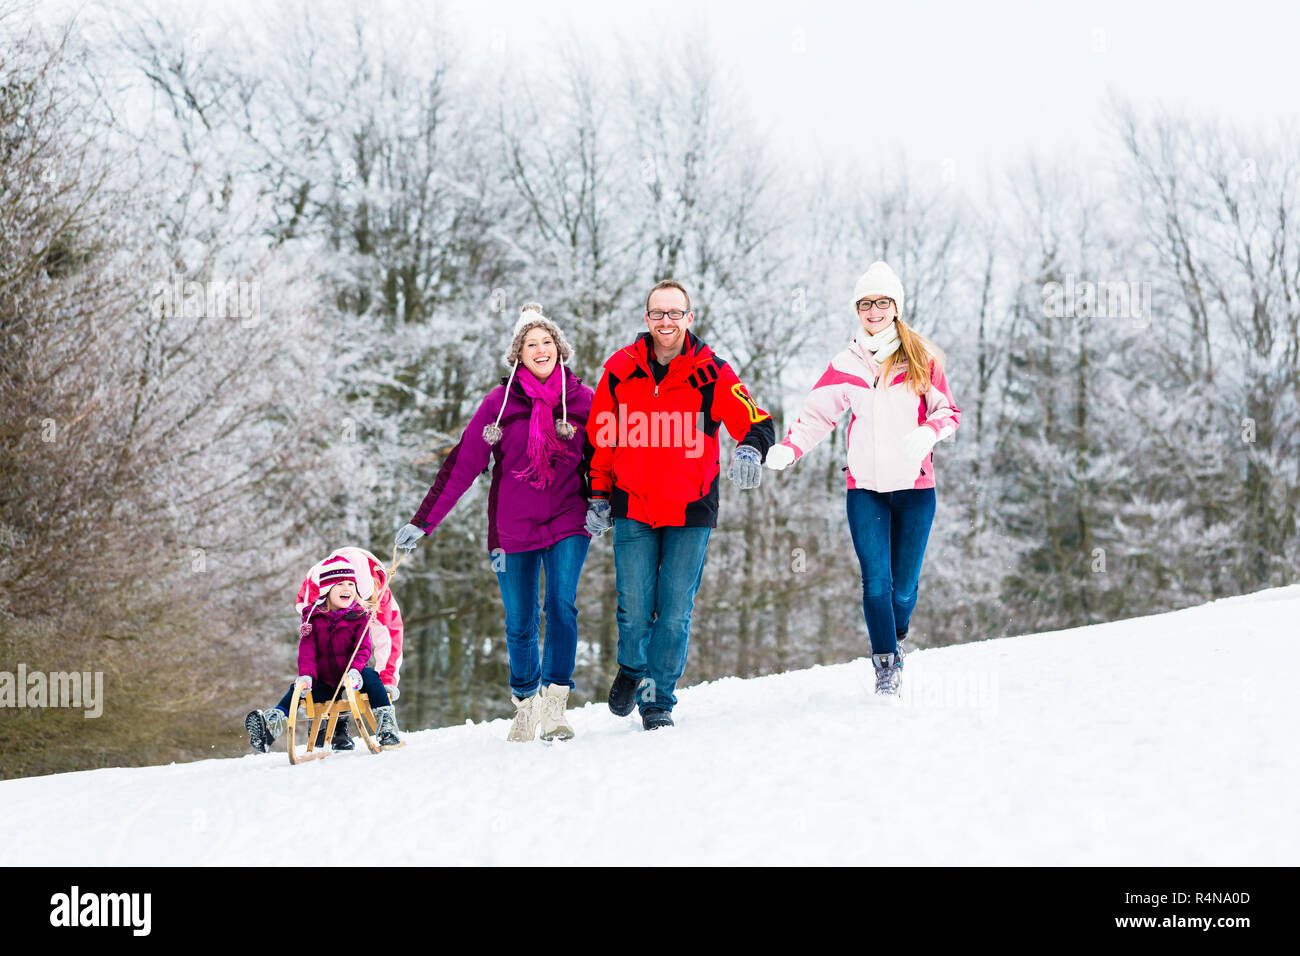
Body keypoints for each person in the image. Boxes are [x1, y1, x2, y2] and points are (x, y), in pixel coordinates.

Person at [394, 304, 594, 743]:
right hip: (512, 528)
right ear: (517, 355)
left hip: (568, 518)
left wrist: (603, 501)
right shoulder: (498, 404)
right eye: (530, 344)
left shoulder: (583, 401)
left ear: (559, 349)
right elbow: (462, 466)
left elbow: (608, 458)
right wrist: (422, 522)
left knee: (560, 604)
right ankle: (526, 705)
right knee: (520, 620)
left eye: (546, 342)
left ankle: (556, 706)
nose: (540, 350)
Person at [764, 261, 961, 695]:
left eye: (882, 302)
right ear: (858, 309)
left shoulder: (920, 359)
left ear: (896, 306)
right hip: (865, 490)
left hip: (915, 489)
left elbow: (949, 413)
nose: (874, 310)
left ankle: (897, 635)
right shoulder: (846, 363)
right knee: (876, 581)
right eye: (866, 303)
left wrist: (927, 432)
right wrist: (790, 448)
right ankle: (885, 664)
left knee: (903, 591)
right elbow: (818, 415)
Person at [586, 279, 775, 730]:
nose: (666, 321)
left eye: (675, 313)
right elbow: (601, 436)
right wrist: (597, 493)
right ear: (646, 318)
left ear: (689, 318)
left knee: (674, 611)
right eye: (658, 313)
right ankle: (632, 666)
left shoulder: (712, 370)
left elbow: (755, 419)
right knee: (634, 605)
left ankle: (658, 702)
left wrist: (750, 448)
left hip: (691, 509)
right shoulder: (619, 368)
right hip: (632, 505)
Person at [245, 555, 402, 752]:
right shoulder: (313, 617)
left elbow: (363, 649)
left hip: (354, 673)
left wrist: (355, 670)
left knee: (372, 678)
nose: (347, 589)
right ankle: (270, 727)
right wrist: (307, 675)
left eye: (350, 584)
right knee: (297, 688)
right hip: (325, 676)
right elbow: (307, 650)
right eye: (340, 584)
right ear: (327, 589)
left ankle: (386, 724)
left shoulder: (360, 616)